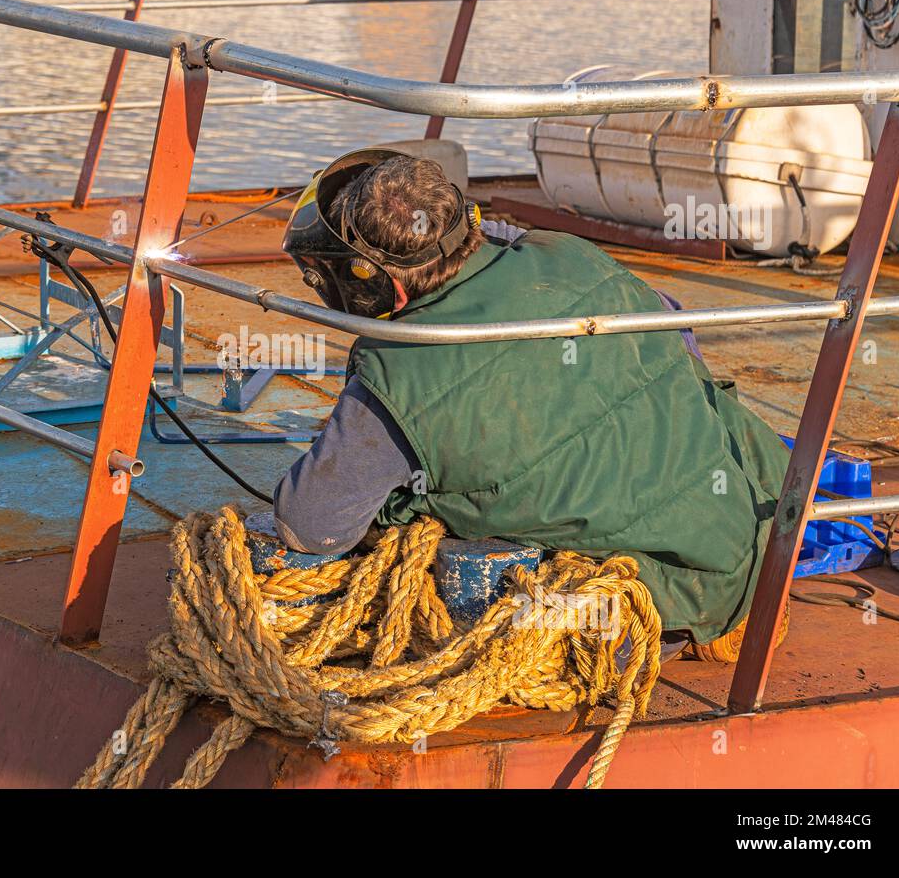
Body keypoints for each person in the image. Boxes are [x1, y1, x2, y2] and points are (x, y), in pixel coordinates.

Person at [273, 148, 791, 647]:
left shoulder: (398, 373)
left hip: (654, 600)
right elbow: (676, 329)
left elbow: (312, 525)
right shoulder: (570, 252)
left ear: (381, 287)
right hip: (757, 537)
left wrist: (410, 496)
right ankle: (734, 613)